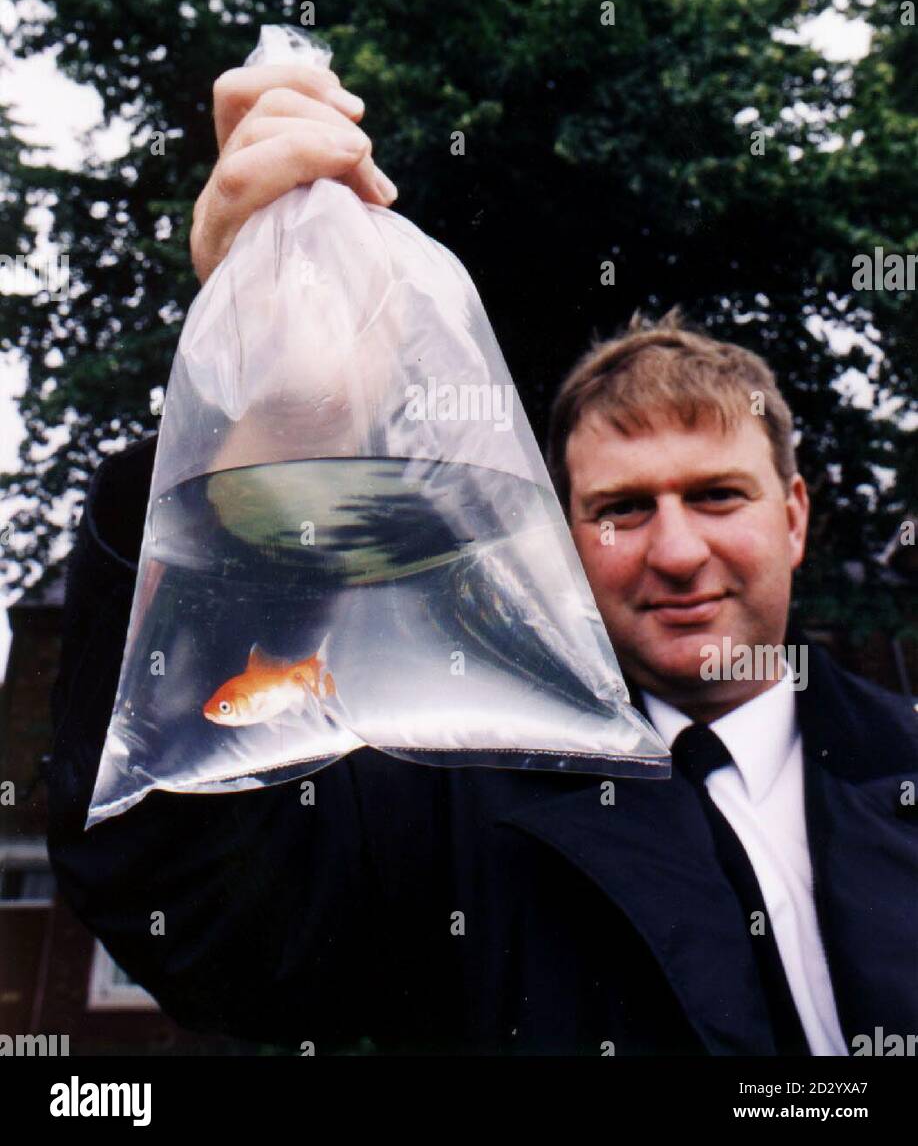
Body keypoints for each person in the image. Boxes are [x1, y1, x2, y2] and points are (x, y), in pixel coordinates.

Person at [46, 61, 918, 1056]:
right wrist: (272, 402)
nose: (677, 551)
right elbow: (191, 899)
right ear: (560, 540)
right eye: (621, 510)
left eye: (717, 495)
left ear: (796, 515)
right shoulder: (444, 800)